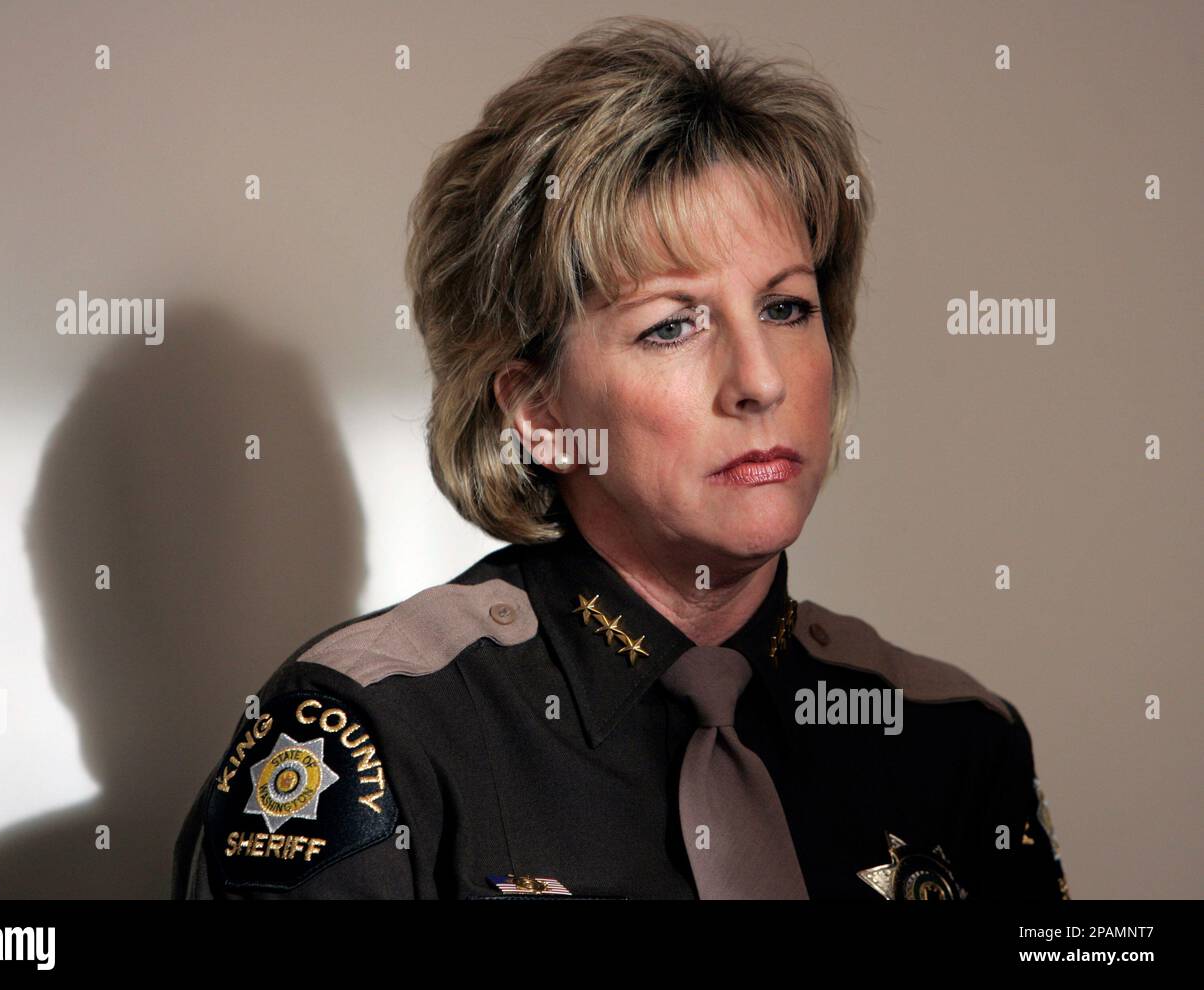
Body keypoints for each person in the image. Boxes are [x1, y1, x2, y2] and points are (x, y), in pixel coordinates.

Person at [172, 15, 1068, 900]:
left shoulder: (955, 736)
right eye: (672, 325)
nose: (759, 381)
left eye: (787, 309)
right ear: (541, 411)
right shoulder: (364, 738)